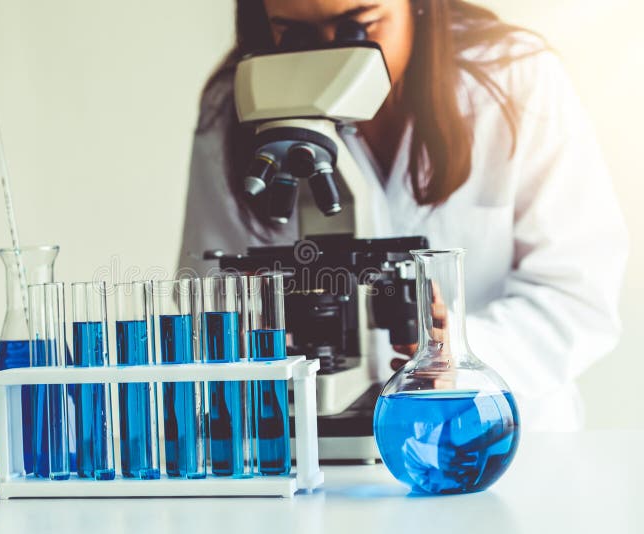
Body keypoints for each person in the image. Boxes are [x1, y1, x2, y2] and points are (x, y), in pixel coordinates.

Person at [178, 0, 628, 431]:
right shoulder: (233, 105)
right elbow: (208, 294)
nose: (330, 55)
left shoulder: (515, 77)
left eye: (360, 25)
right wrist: (259, 322)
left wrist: (455, 352)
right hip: (310, 442)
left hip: (497, 435)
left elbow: (576, 294)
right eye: (293, 34)